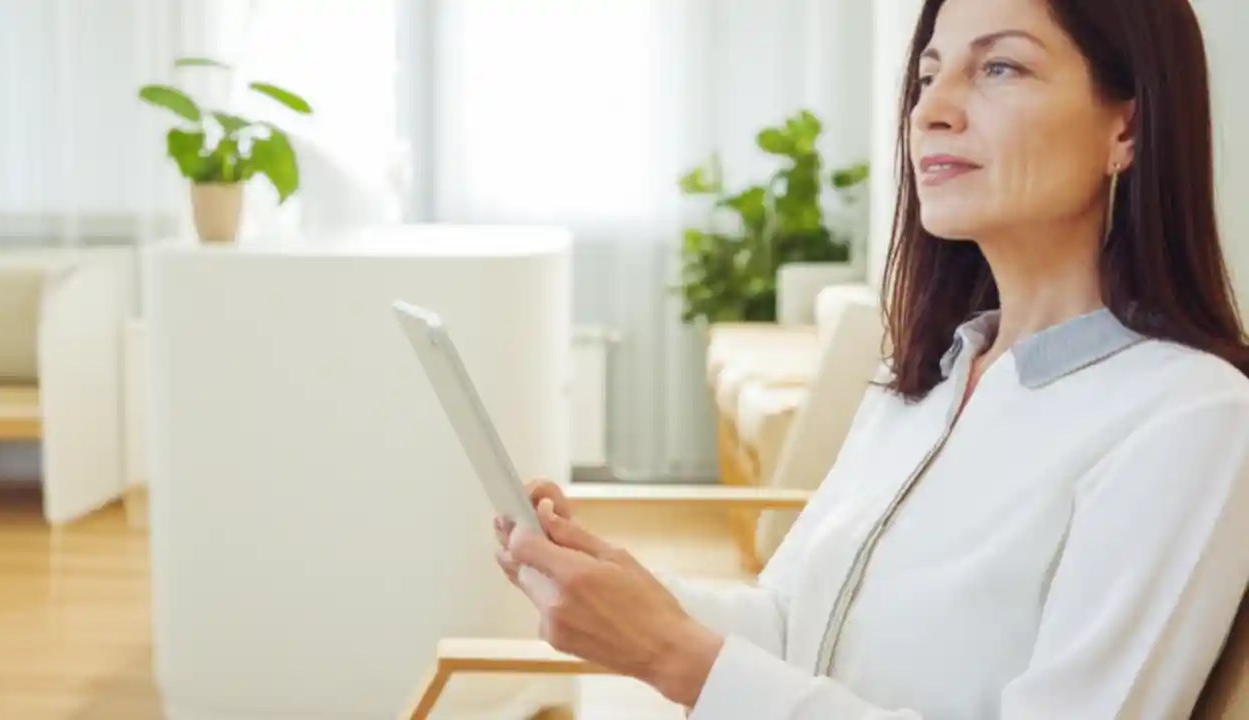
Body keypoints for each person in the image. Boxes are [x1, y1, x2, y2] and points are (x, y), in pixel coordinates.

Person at [493, 0, 1249, 716]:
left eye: (1000, 69)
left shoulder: (1189, 420)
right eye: (927, 76)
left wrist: (672, 653)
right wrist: (630, 596)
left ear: (1127, 129)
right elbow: (795, 626)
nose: (931, 111)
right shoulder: (921, 382)